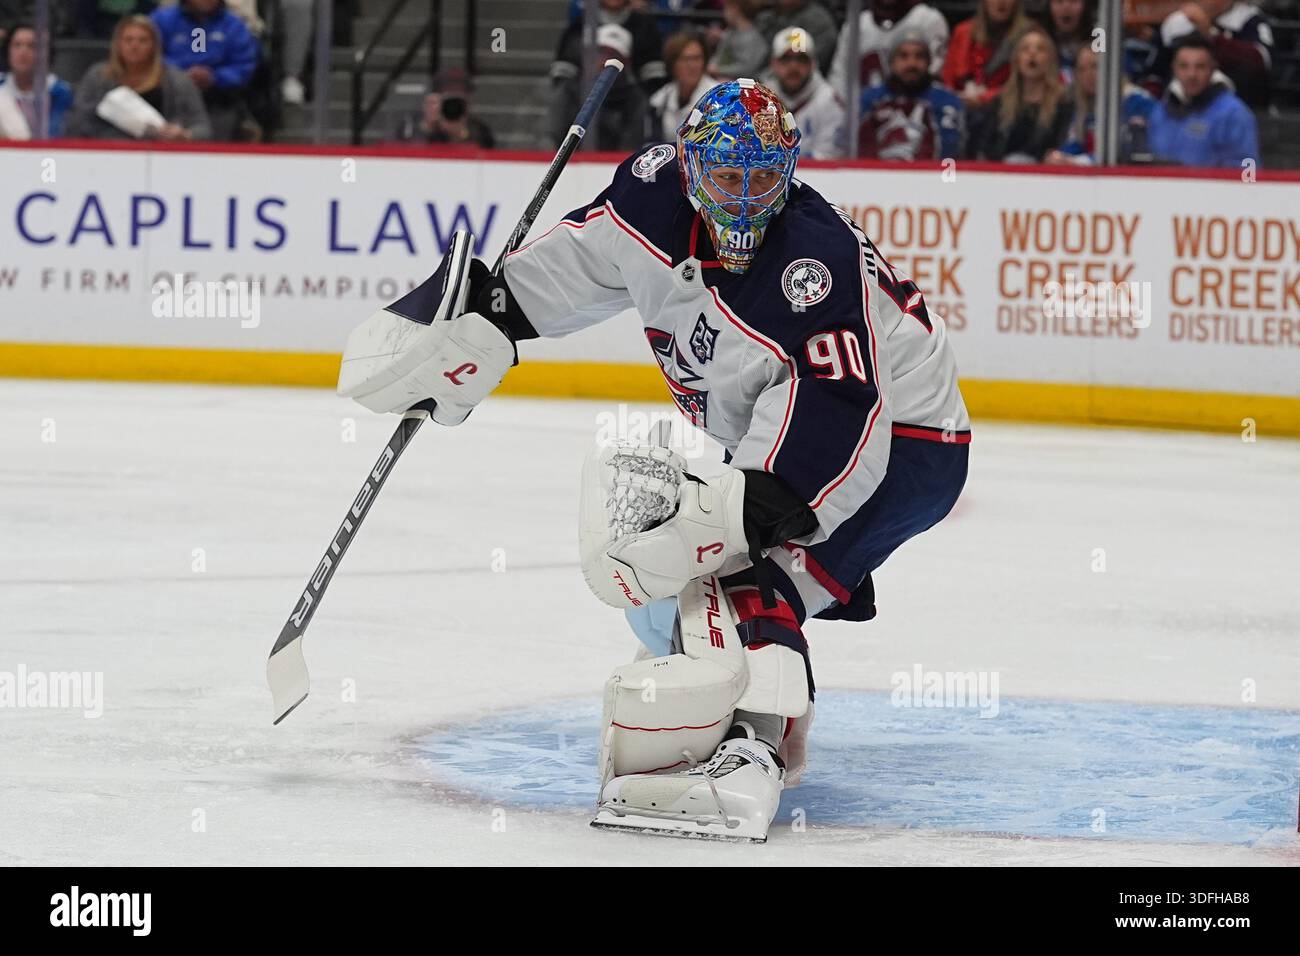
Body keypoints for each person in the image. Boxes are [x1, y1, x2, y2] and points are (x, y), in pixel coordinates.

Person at [334, 80, 970, 842]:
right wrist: (490, 317)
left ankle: (748, 756)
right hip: (809, 422)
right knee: (667, 579)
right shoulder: (650, 195)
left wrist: (755, 510)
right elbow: (580, 264)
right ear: (690, 165)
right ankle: (719, 714)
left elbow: (844, 415)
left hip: (906, 443)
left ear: (790, 171)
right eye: (727, 177)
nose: (743, 200)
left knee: (739, 566)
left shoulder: (812, 267)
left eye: (764, 178)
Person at [64, 14, 211, 140]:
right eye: (128, 40)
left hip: (163, 154)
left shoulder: (178, 81)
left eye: (143, 40)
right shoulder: (98, 77)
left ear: (154, 46)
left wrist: (185, 135)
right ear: (118, 44)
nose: (135, 46)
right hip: (107, 153)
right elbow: (76, 121)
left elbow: (203, 128)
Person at [1146, 32, 1258, 168]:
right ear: (1174, 68)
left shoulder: (1234, 114)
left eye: (1200, 67)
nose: (1191, 74)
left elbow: (1249, 173)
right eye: (1184, 66)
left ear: (1213, 69)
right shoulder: (1160, 112)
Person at [151, 0, 259, 140]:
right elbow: (148, 57)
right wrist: (180, 75)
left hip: (218, 99)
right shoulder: (162, 20)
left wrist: (215, 77)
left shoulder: (235, 25)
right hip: (168, 97)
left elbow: (244, 65)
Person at [967, 27, 1069, 161]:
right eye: (1025, 49)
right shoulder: (999, 104)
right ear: (1016, 59)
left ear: (1050, 59)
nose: (1032, 53)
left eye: (1040, 49)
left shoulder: (1063, 104)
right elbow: (985, 147)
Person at [859, 30, 963, 160]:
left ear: (929, 62)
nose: (912, 63)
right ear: (891, 62)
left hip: (929, 177)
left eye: (919, 56)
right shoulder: (869, 99)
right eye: (903, 56)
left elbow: (951, 152)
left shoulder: (946, 101)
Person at [1045, 44, 1154, 164]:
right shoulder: (1084, 106)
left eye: (1095, 66)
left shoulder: (1138, 101)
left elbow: (1124, 151)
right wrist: (1060, 156)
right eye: (1081, 69)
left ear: (1111, 67)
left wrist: (1078, 161)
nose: (1088, 75)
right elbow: (1074, 145)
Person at [1153, 0, 1274, 108]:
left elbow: (1261, 61)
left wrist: (1211, 34)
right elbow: (1156, 71)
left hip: (1237, 106)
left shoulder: (1250, 20)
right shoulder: (1178, 22)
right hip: (1179, 109)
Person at [828, 0, 949, 94]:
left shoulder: (928, 20)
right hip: (864, 114)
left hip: (917, 109)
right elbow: (839, 78)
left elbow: (933, 74)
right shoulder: (857, 24)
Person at [762, 26, 845, 158]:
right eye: (786, 59)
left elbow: (828, 156)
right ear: (774, 64)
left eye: (801, 59)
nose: (793, 66)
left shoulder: (829, 100)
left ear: (813, 64)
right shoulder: (760, 100)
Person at [943, 0, 1033, 110]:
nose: (1001, 2)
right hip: (961, 109)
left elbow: (1030, 84)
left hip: (1009, 110)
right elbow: (948, 80)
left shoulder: (1029, 36)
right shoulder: (962, 32)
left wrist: (985, 98)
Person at [0, 24, 75, 138]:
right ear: (8, 51)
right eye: (17, 45)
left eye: (32, 46)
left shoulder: (60, 92)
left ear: (46, 53)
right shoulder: (2, 88)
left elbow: (56, 134)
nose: (23, 51)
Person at [393, 69, 495, 148]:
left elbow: (485, 155)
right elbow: (402, 153)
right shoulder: (411, 125)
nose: (452, 106)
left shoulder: (479, 129)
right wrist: (427, 126)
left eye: (458, 100)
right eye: (448, 100)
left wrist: (459, 134)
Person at [648, 30, 715, 141]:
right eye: (685, 59)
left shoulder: (719, 97)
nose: (692, 65)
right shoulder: (659, 100)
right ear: (672, 64)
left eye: (697, 58)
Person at [755, 0, 839, 75]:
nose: (793, 65)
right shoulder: (764, 17)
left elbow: (811, 66)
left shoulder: (820, 22)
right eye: (786, 59)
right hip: (768, 79)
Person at [709, 0, 770, 80]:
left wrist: (719, 70)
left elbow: (748, 69)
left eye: (726, 9)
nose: (724, 14)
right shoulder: (729, 32)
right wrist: (711, 66)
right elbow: (719, 56)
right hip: (720, 79)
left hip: (744, 84)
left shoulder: (752, 37)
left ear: (735, 9)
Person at [1043, 0, 1093, 80]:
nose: (1066, 7)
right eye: (1059, 1)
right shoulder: (1039, 46)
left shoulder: (1099, 46)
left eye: (1073, 1)